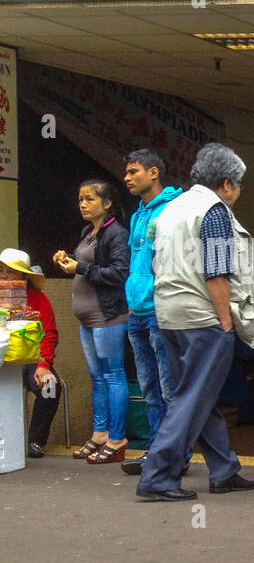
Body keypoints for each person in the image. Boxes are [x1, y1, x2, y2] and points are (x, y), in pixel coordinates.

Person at [137, 143, 254, 502]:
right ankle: (157, 475)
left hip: (168, 315)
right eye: (238, 185)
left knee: (196, 394)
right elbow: (217, 271)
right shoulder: (214, 211)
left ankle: (224, 470)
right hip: (203, 317)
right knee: (191, 398)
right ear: (225, 183)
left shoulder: (171, 208)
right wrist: (225, 322)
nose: (238, 192)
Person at [51, 180, 131, 464]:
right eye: (80, 199)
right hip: (87, 318)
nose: (83, 204)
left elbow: (120, 273)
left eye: (90, 199)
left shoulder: (116, 234)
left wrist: (81, 267)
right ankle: (100, 433)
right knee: (97, 377)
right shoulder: (89, 231)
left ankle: (117, 438)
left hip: (107, 316)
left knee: (113, 375)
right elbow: (86, 265)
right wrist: (68, 260)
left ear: (106, 203)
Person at [120, 149, 183, 477]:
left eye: (134, 172)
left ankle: (175, 454)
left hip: (161, 311)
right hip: (137, 312)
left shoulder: (173, 209)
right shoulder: (137, 214)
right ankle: (157, 451)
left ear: (154, 172)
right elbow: (136, 263)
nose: (127, 178)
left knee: (169, 386)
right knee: (149, 389)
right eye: (127, 172)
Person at [1, 250, 61, 459]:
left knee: (50, 387)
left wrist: (43, 364)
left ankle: (35, 440)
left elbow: (49, 333)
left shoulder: (38, 298)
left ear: (24, 276)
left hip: (28, 360)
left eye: (11, 273)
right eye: (2, 271)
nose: (5, 277)